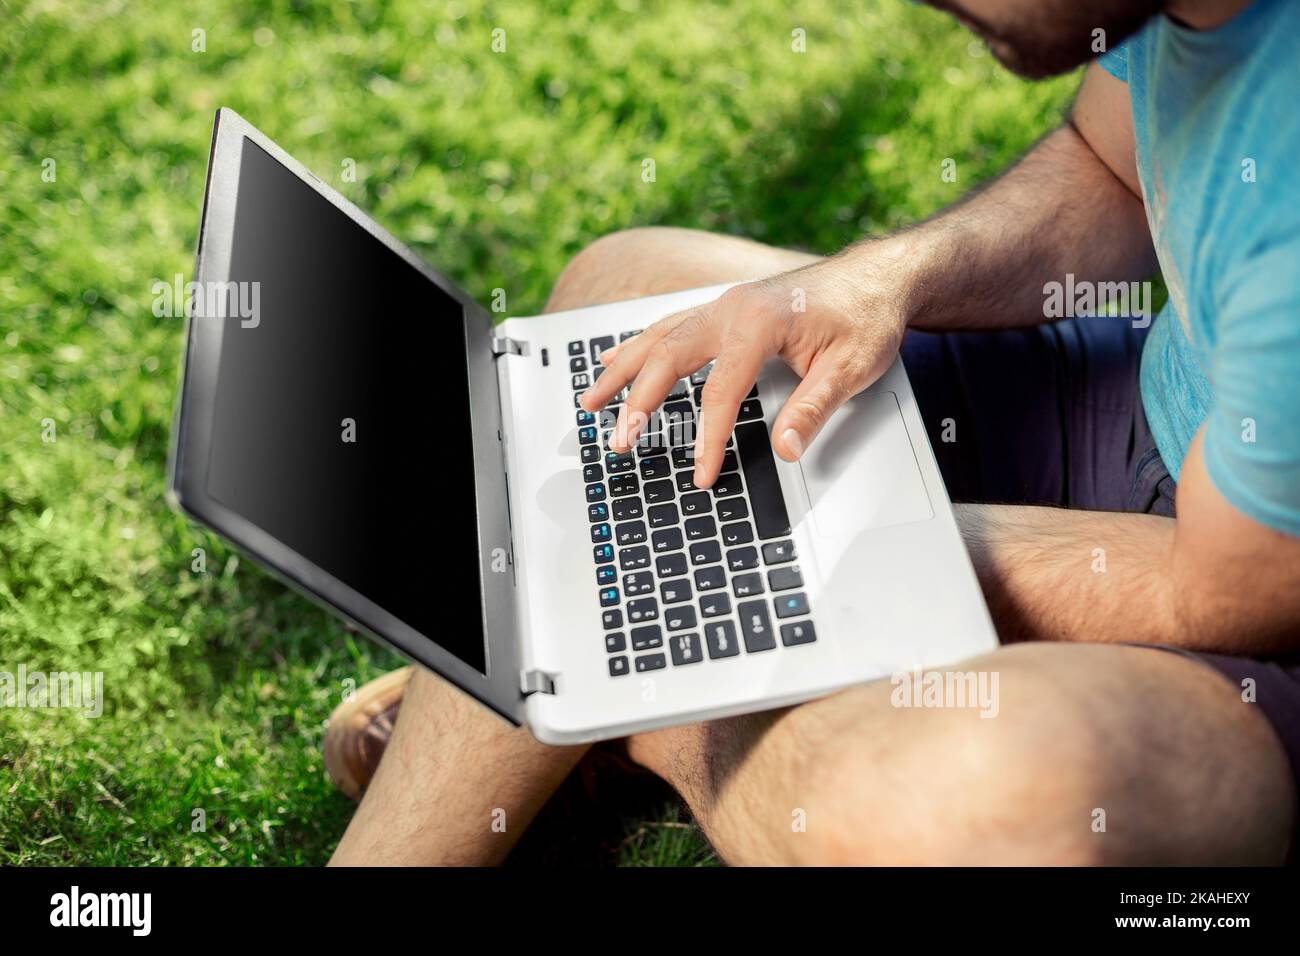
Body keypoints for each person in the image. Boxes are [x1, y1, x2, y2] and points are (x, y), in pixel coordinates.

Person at [326, 0, 1300, 865]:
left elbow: (1221, 591)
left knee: (983, 809)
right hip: (1150, 407)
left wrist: (842, 548)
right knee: (624, 302)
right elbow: (1108, 167)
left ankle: (643, 717)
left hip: (1251, 610)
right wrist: (882, 278)